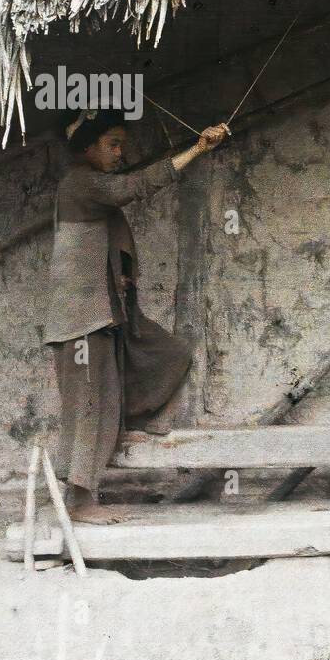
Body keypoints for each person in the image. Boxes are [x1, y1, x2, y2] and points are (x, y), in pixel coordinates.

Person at [43, 109, 231, 524]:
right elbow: (137, 186)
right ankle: (80, 501)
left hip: (107, 314)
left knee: (165, 354)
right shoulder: (82, 182)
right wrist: (198, 149)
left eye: (121, 146)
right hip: (81, 321)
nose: (118, 153)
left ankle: (127, 418)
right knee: (91, 405)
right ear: (87, 147)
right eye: (112, 145)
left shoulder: (92, 185)